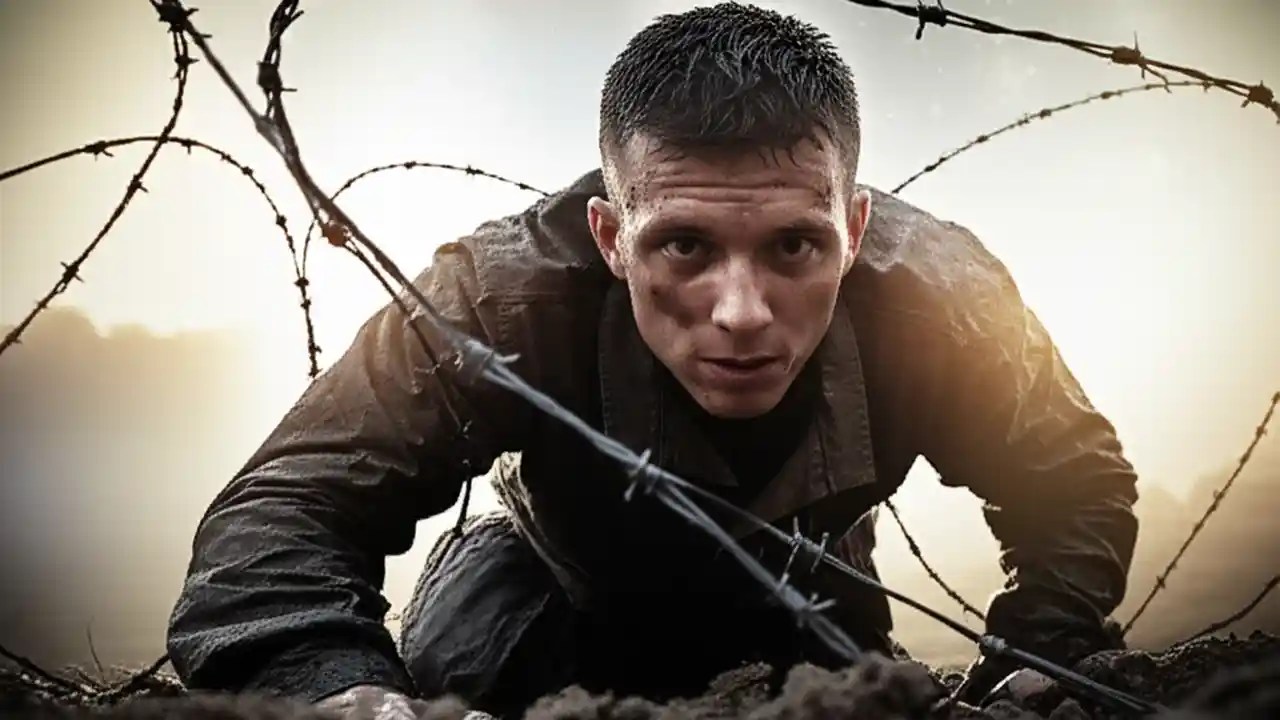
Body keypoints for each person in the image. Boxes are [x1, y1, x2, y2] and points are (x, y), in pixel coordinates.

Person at [165, 3, 1140, 718]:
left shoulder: (941, 304)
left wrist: (1043, 650)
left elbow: (1071, 483)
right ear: (607, 234)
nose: (741, 314)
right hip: (539, 596)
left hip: (808, 599)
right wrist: (340, 692)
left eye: (794, 247)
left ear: (851, 227)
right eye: (682, 245)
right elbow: (285, 511)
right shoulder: (498, 301)